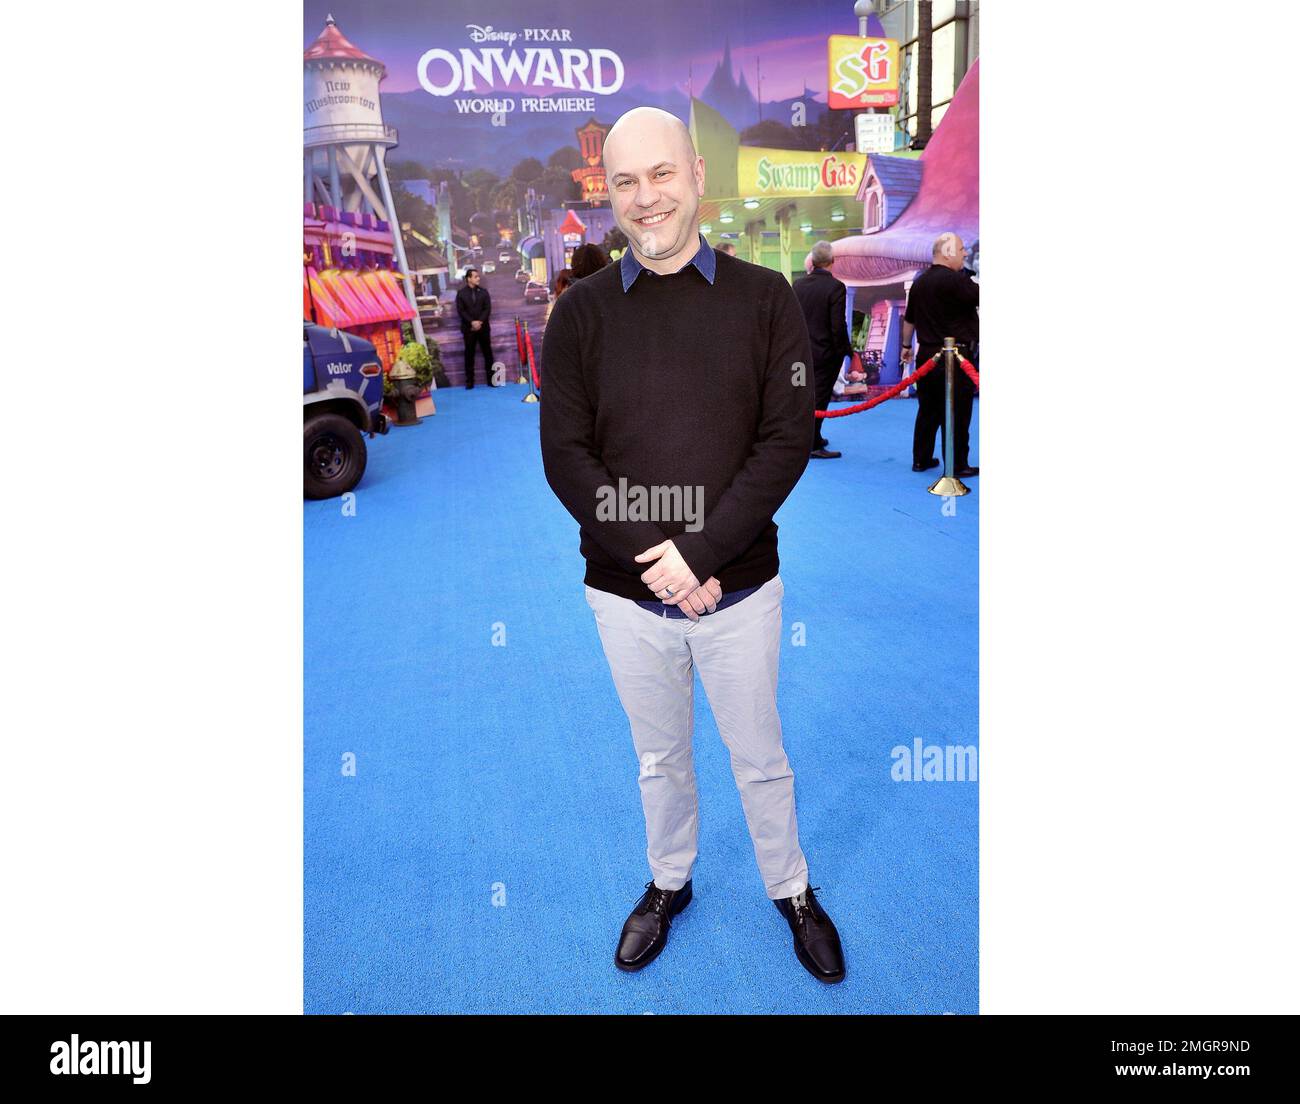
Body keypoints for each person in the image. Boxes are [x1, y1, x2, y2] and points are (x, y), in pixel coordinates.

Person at [540, 105, 846, 983]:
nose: (646, 199)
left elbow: (785, 440)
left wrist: (703, 556)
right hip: (623, 594)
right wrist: (661, 564)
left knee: (761, 756)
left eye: (662, 175)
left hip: (741, 589)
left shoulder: (767, 299)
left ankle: (790, 888)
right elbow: (567, 458)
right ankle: (669, 882)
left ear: (697, 176)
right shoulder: (580, 314)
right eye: (626, 182)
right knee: (660, 757)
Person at [901, 232, 979, 477]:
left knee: (928, 409)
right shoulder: (956, 281)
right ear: (948, 253)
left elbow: (909, 320)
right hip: (957, 357)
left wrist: (906, 346)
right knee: (958, 412)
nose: (965, 254)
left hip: (927, 355)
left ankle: (921, 459)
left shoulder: (920, 282)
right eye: (961, 249)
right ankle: (957, 465)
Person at [793, 241, 853, 459]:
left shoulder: (798, 285)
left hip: (799, 353)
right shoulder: (836, 287)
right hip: (825, 354)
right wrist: (846, 352)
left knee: (802, 397)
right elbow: (838, 324)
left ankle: (811, 438)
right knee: (819, 399)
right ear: (832, 261)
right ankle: (813, 444)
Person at [455, 267, 495, 389]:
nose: (478, 278)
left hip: (483, 328)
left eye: (478, 276)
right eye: (475, 277)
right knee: (469, 355)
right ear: (469, 279)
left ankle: (491, 380)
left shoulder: (484, 292)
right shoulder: (461, 293)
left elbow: (487, 309)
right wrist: (472, 322)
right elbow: (461, 311)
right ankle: (469, 382)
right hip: (469, 329)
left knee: (488, 354)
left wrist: (480, 322)